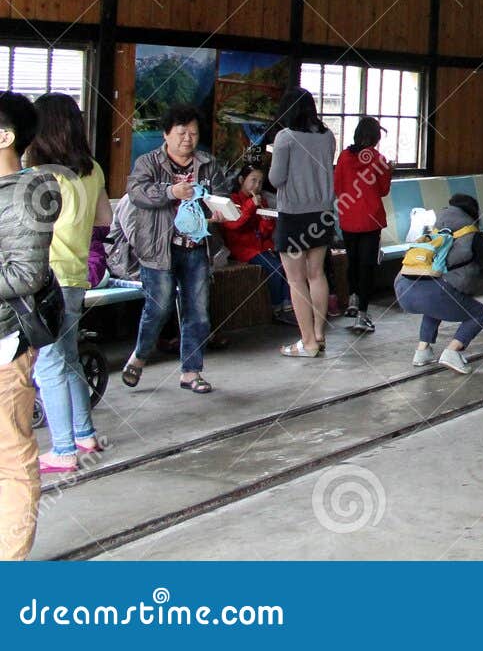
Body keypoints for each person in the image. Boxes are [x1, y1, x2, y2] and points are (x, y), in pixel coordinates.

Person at [26, 94, 111, 474]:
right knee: (70, 358)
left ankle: (62, 450)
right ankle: (84, 434)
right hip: (76, 276)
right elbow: (104, 218)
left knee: (50, 366)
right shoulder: (92, 169)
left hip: (46, 279)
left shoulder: (40, 176)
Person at [122, 105, 225, 393]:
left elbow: (221, 194)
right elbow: (136, 193)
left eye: (193, 133)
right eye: (181, 133)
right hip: (159, 248)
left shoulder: (207, 163)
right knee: (159, 307)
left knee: (198, 311)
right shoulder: (148, 162)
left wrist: (217, 210)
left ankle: (191, 372)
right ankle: (140, 356)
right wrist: (171, 191)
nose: (187, 139)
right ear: (166, 134)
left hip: (197, 247)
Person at [0, 92, 56, 560]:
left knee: (11, 458)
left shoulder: (29, 194)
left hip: (3, 346)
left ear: (5, 136)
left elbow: (25, 275)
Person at [393, 194, 483, 375]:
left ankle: (422, 352)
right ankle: (452, 351)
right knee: (478, 313)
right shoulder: (473, 236)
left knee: (435, 304)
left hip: (402, 289)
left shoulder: (433, 230)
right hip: (434, 293)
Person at [268, 88, 338, 359]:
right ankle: (319, 335)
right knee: (316, 274)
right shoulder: (327, 136)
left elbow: (275, 180)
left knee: (296, 280)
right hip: (322, 213)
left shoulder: (285, 138)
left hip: (294, 215)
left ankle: (307, 343)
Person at [334, 117, 391, 334]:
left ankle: (352, 298)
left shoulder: (344, 157)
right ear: (376, 137)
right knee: (367, 265)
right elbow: (383, 190)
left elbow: (338, 187)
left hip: (348, 217)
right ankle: (362, 315)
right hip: (371, 219)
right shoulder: (379, 160)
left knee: (353, 260)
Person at [221, 167, 294, 327]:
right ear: (241, 181)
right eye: (253, 180)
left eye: (260, 182)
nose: (257, 185)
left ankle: (288, 305)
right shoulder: (232, 200)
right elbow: (234, 225)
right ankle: (277, 308)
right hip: (242, 247)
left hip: (261, 245)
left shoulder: (262, 201)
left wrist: (267, 220)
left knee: (287, 264)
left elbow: (264, 233)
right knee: (275, 267)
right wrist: (250, 206)